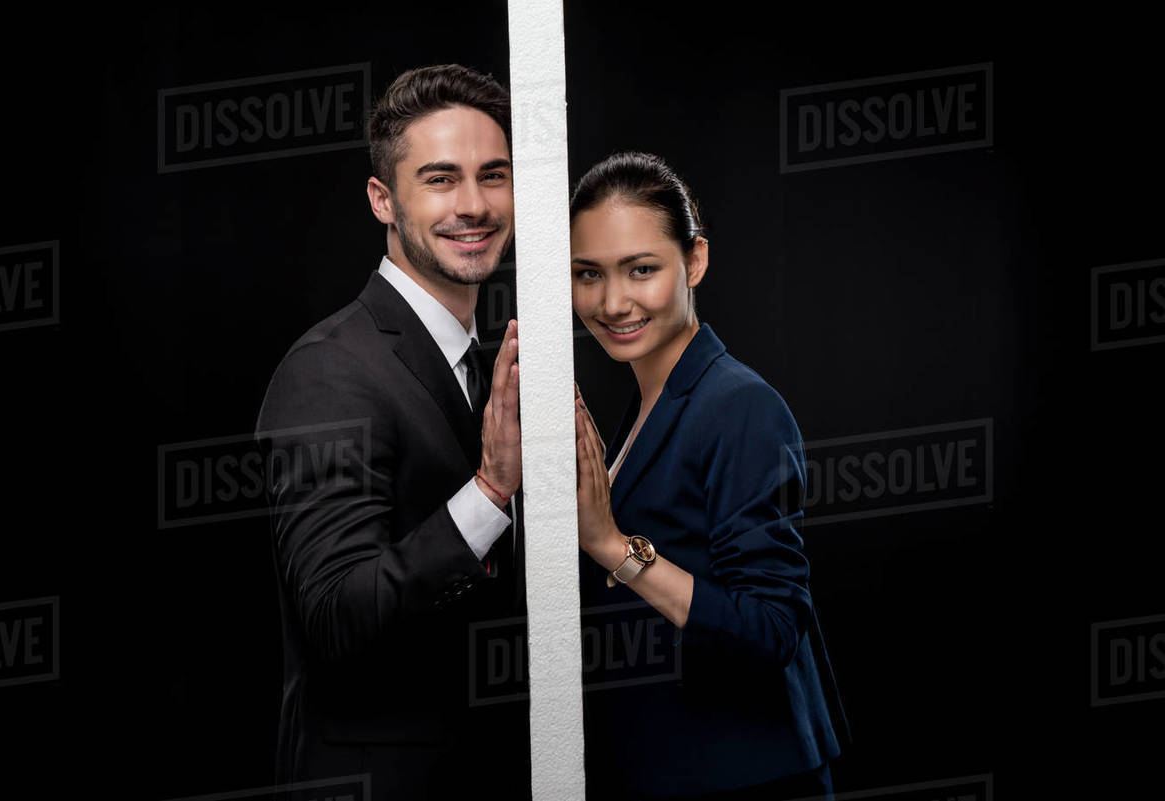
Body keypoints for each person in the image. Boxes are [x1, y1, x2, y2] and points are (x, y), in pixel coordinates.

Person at [254, 64, 530, 801]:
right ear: (384, 198)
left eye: (493, 175)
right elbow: (335, 615)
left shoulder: (493, 359)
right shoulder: (328, 370)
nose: (474, 204)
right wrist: (490, 490)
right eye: (440, 179)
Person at [570, 151, 851, 800]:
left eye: (642, 269)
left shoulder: (738, 405)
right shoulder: (647, 402)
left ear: (693, 260)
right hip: (679, 765)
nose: (613, 302)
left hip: (753, 775)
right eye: (589, 274)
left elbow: (773, 627)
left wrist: (613, 546)